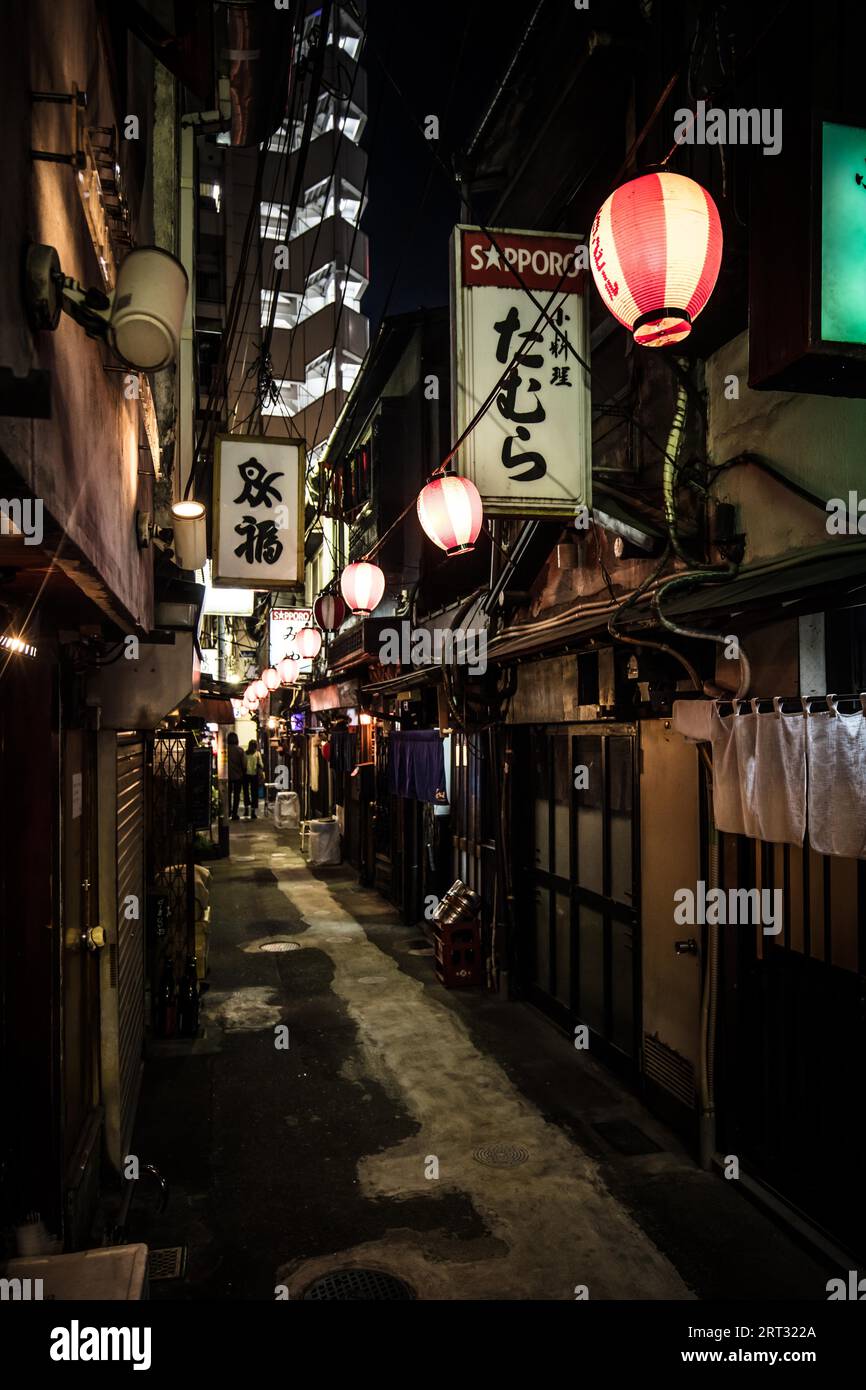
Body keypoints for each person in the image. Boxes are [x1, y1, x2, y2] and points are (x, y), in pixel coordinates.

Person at [243, 739, 264, 820]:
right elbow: (261, 765)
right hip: (254, 775)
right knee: (254, 793)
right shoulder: (257, 754)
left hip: (245, 775)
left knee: (246, 792)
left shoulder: (245, 753)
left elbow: (243, 763)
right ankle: (253, 812)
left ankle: (246, 809)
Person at [226, 731, 244, 820]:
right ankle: (234, 813)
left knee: (228, 794)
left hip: (227, 775)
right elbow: (243, 764)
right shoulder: (240, 750)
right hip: (238, 776)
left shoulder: (225, 749)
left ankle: (228, 811)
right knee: (236, 795)